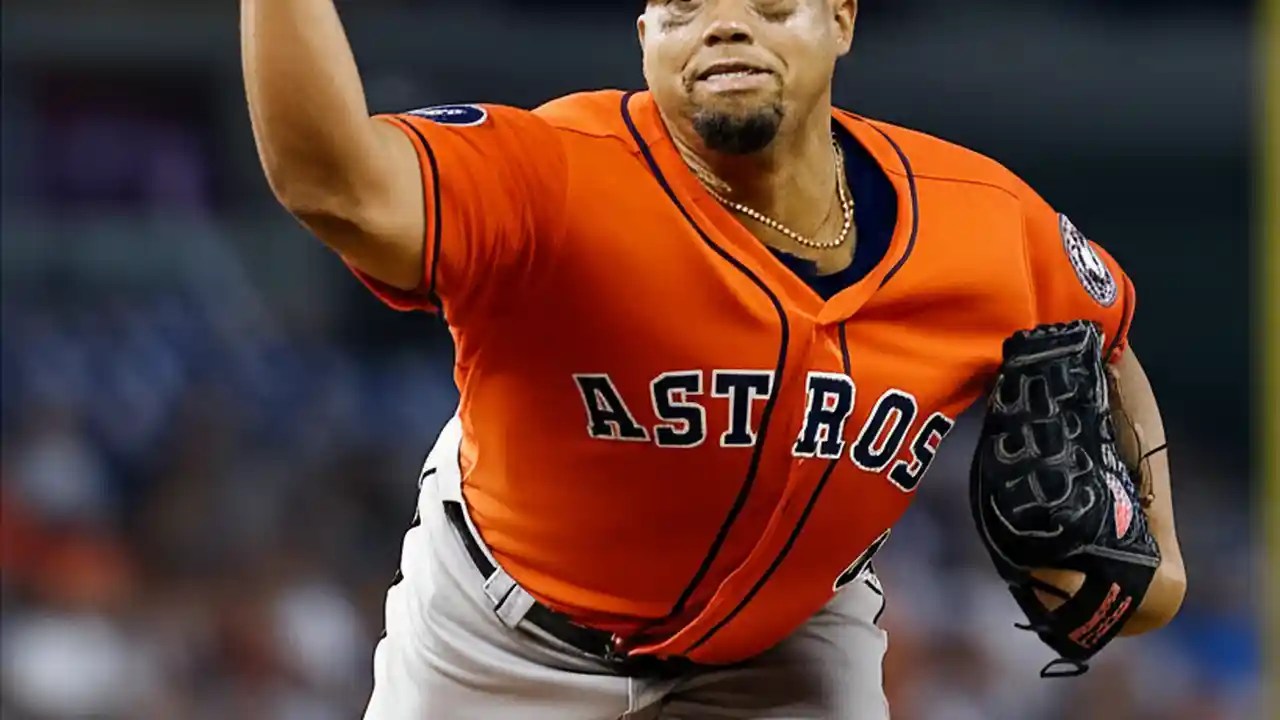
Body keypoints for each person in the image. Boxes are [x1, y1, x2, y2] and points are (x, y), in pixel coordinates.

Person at [241, 1, 1187, 718]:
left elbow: (1106, 336)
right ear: (645, 28)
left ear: (842, 19)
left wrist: (1164, 559)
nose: (727, 23)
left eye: (770, 1)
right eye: (686, 2)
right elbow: (336, 183)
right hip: (497, 642)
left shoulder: (982, 225)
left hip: (790, 653)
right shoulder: (554, 177)